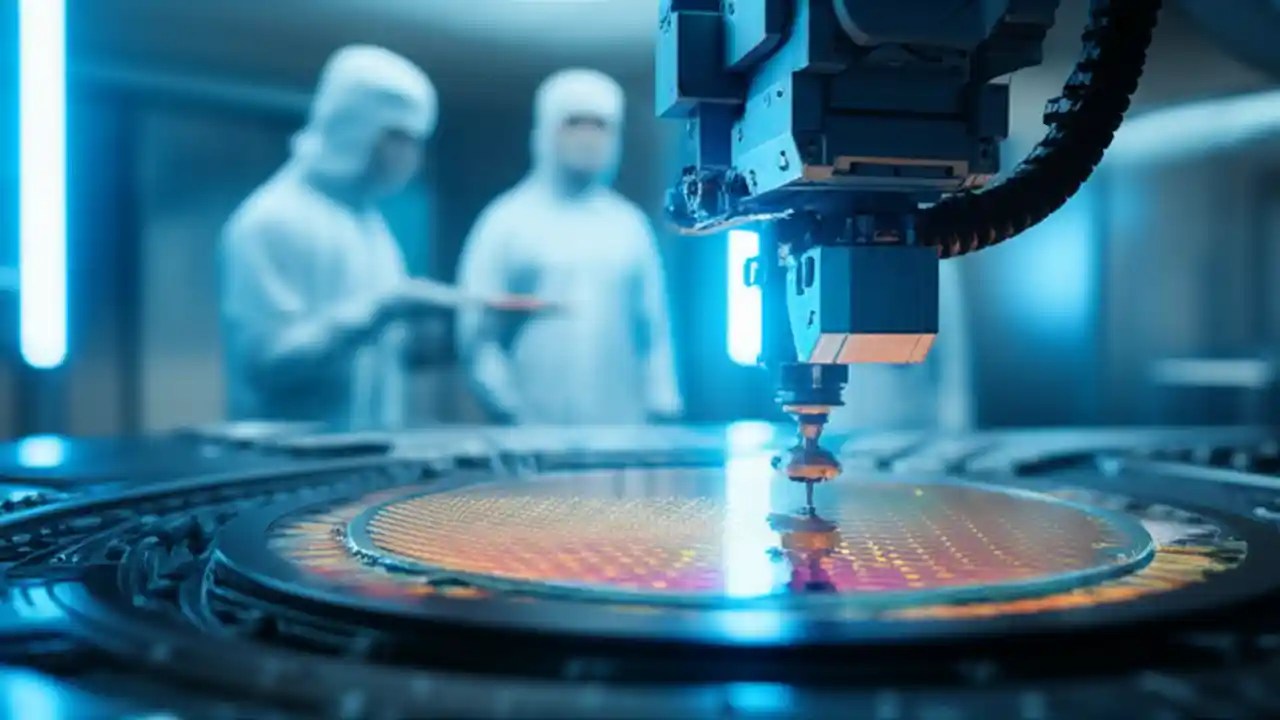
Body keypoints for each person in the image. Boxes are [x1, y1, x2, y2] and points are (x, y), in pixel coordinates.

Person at [220, 45, 454, 430]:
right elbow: (264, 364)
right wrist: (379, 310)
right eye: (398, 136)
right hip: (289, 466)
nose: (410, 155)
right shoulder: (271, 220)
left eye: (416, 141)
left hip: (365, 458)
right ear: (353, 125)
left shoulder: (368, 224)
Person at [456, 69, 683, 425]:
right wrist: (508, 408)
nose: (588, 137)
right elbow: (476, 335)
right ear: (546, 129)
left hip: (622, 431)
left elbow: (653, 330)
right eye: (574, 122)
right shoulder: (505, 222)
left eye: (601, 125)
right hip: (531, 436)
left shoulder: (629, 226)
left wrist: (662, 402)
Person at [828, 262, 974, 433]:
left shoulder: (939, 265)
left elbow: (953, 358)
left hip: (915, 424)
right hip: (843, 425)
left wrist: (956, 422)